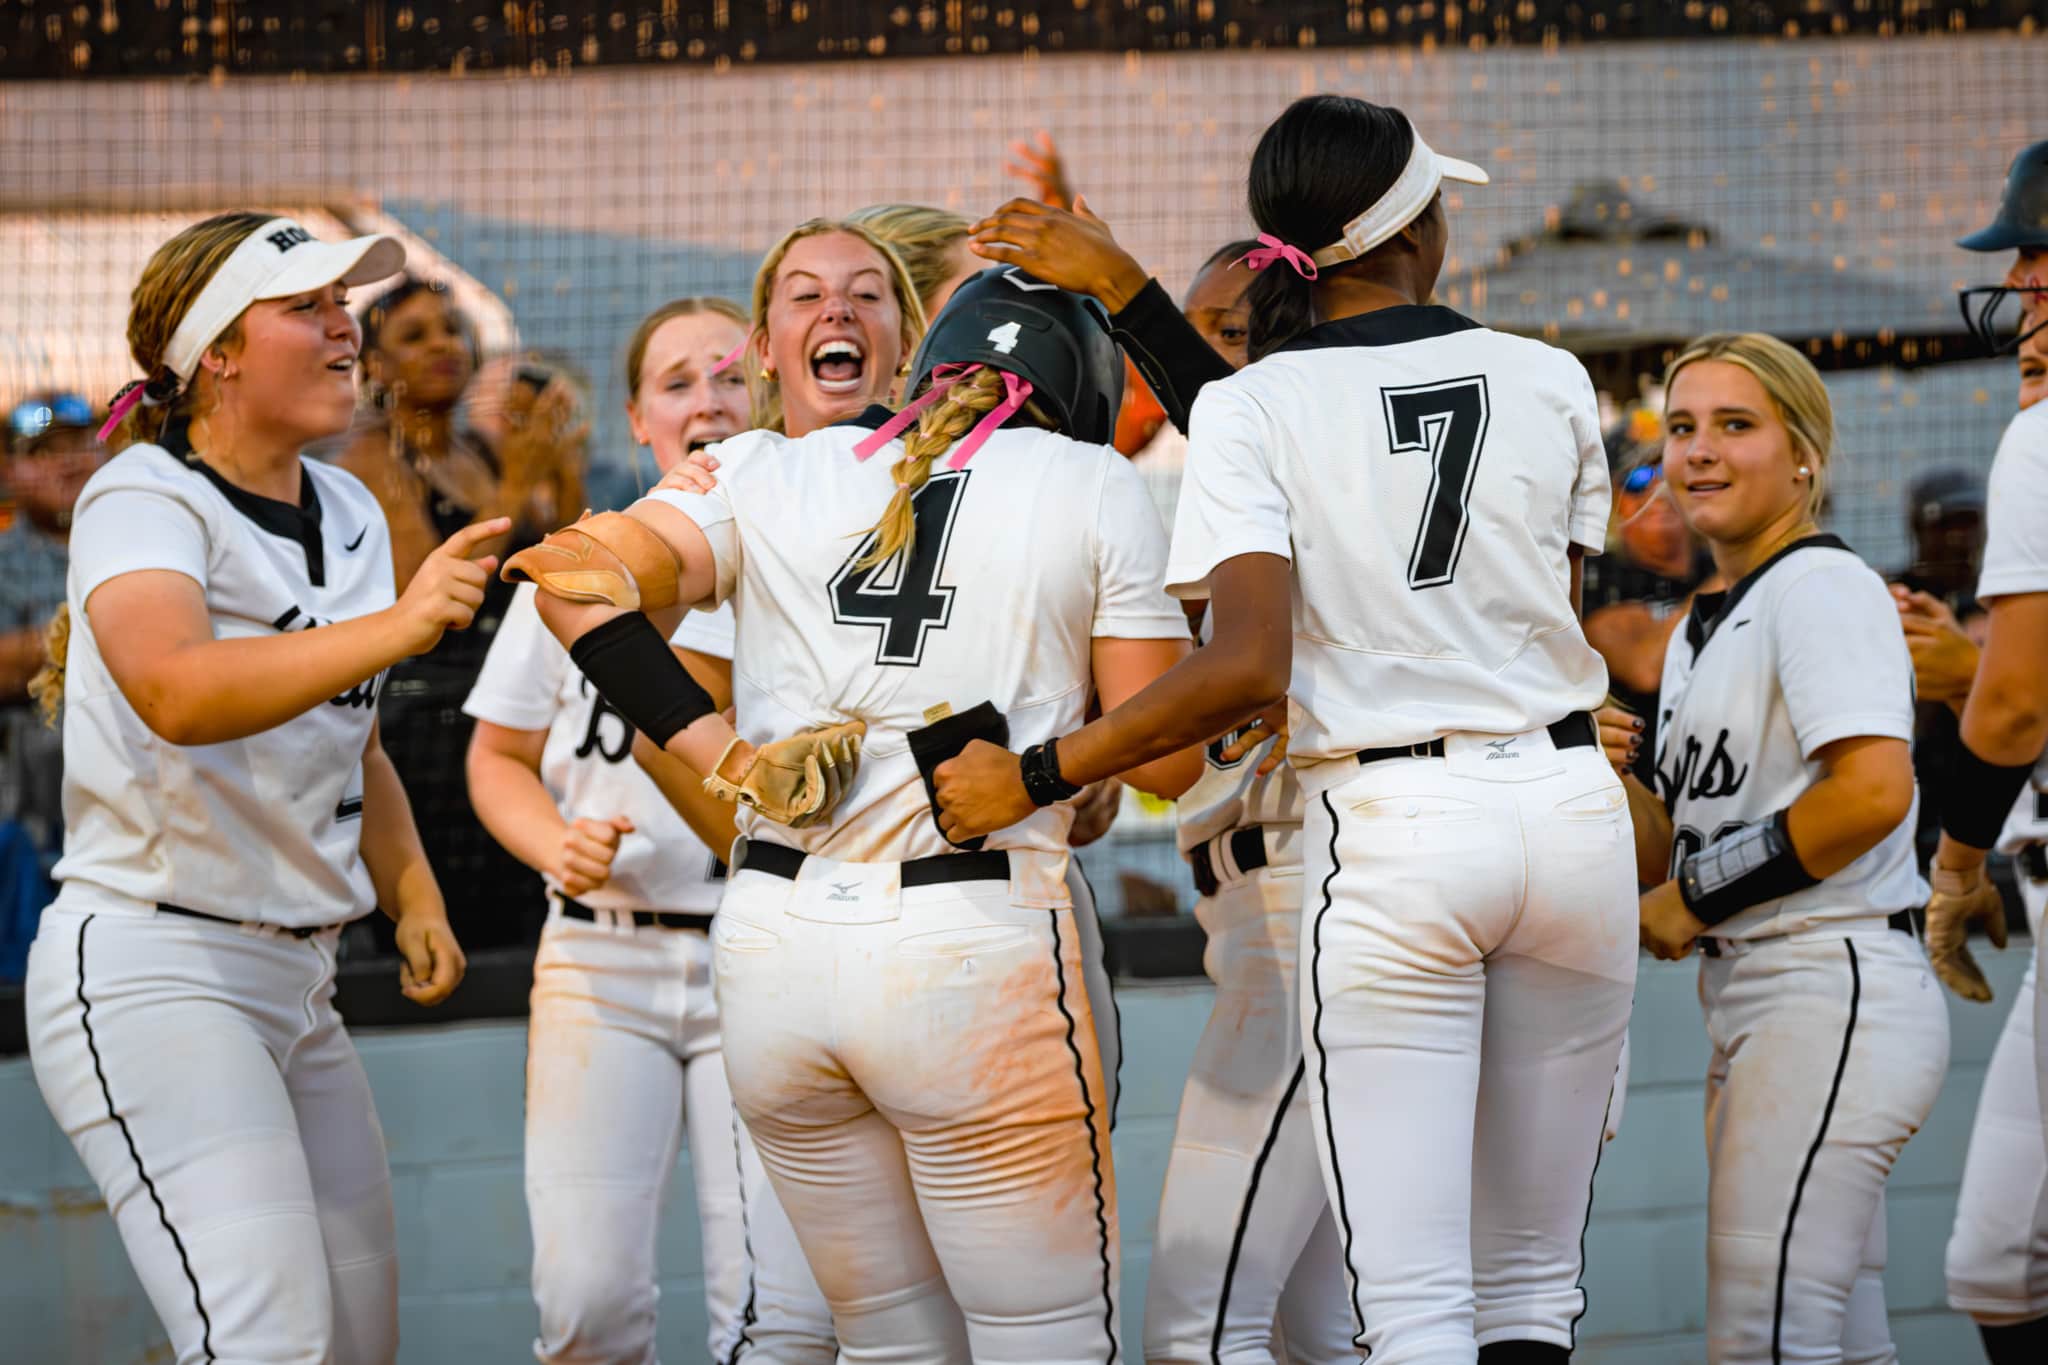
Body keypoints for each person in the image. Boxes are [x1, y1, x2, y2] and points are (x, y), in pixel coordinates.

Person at [936, 94, 1635, 1363]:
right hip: (1565, 808)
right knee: (1530, 1285)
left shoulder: (1257, 408)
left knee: (1412, 1305)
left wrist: (1038, 771)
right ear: (1412, 226)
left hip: (1393, 832)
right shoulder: (1551, 377)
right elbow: (1547, 622)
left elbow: (1247, 659)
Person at [511, 266, 1203, 1361]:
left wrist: (727, 758)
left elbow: (570, 579)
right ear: (1078, 388)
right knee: (1044, 1337)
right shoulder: (1089, 476)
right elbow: (1172, 758)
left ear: (927, 369)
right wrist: (1060, 762)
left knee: (881, 1342)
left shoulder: (759, 464)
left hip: (777, 951)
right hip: (971, 945)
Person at [20, 211, 492, 1363]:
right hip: (154, 968)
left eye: (345, 307)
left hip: (301, 975)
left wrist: (412, 892)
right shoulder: (140, 496)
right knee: (268, 1339)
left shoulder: (341, 508)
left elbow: (353, 736)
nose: (346, 329)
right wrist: (397, 624)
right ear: (215, 352)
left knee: (355, 1343)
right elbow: (176, 689)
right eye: (308, 307)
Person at [464, 296, 835, 1363]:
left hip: (753, 951)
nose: (707, 400)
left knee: (768, 1310)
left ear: (764, 394)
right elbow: (494, 758)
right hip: (598, 957)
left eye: (729, 377)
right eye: (676, 383)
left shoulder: (806, 564)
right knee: (586, 1305)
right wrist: (548, 844)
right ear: (637, 419)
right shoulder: (588, 567)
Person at [1621, 333, 1946, 1364]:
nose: (1698, 452)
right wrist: (1591, 758)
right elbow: (1661, 852)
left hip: (1829, 975)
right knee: (1834, 1339)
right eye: (1681, 428)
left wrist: (1694, 900)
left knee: (1761, 1342)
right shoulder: (1695, 628)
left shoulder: (1817, 584)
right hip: (1767, 995)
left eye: (1733, 425)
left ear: (1803, 453)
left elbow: (1869, 793)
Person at [331, 277, 590, 952]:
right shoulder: (373, 456)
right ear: (375, 367)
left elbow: (555, 553)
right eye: (414, 336)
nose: (443, 343)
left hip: (508, 712)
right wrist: (514, 482)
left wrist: (555, 460)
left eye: (451, 328)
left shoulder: (475, 449)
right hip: (427, 733)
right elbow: (423, 594)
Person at [1923, 151, 2048, 1364]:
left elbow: (2013, 708)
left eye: (2039, 258)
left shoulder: (2041, 439)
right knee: (1994, 1266)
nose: (2017, 286)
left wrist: (1956, 866)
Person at [0, 393, 105, 862]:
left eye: (77, 445)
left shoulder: (139, 542)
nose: (65, 463)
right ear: (8, 470)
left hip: (131, 824)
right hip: (28, 834)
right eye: (41, 453)